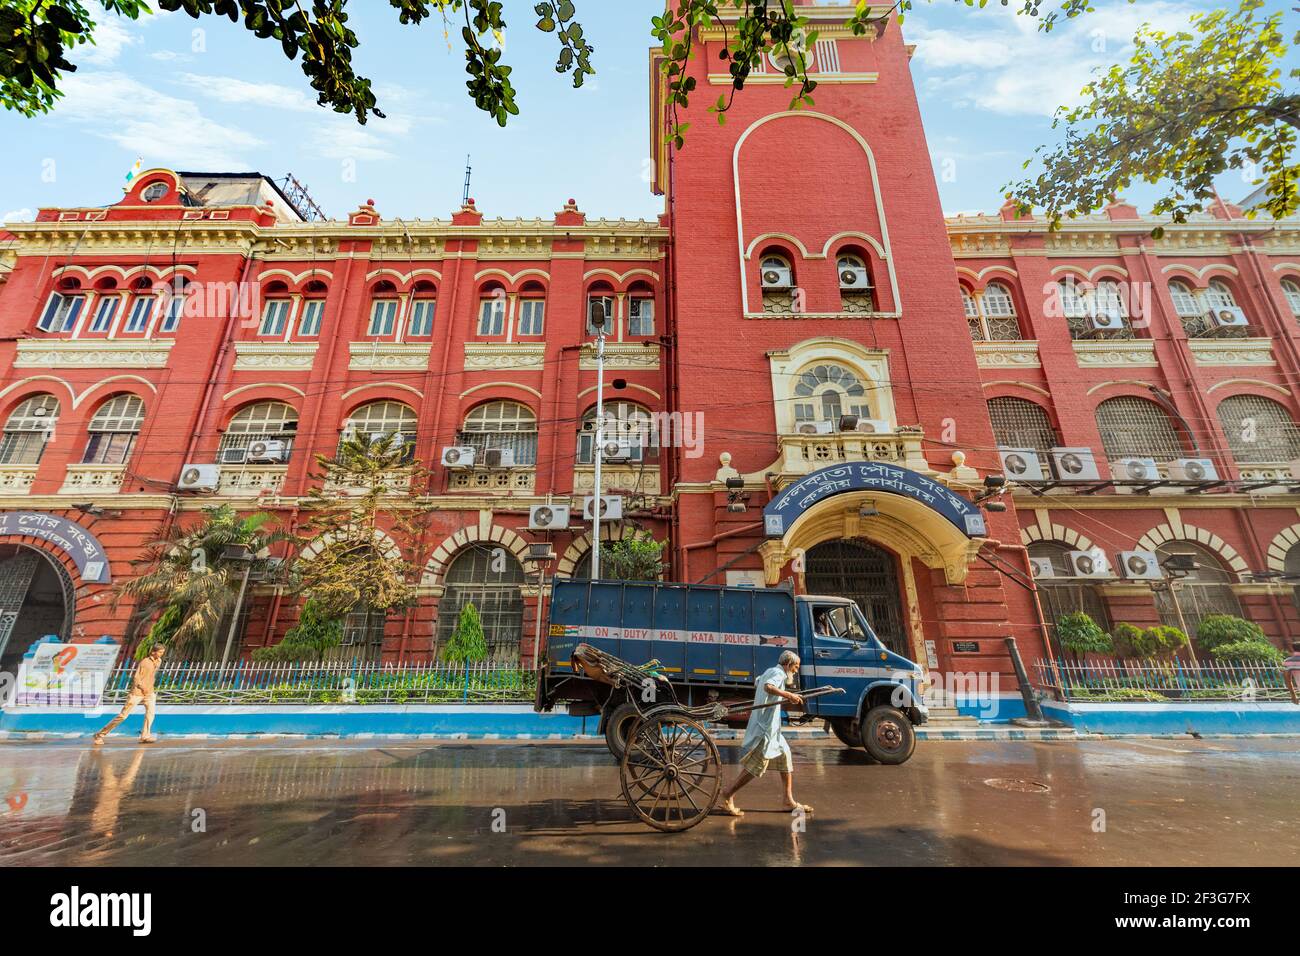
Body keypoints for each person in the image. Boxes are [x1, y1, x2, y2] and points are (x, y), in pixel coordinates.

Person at [719, 649, 812, 817]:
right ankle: (727, 794)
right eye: (795, 668)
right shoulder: (778, 673)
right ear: (788, 665)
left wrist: (788, 695)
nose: (796, 671)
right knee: (756, 766)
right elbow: (768, 686)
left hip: (773, 729)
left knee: (785, 756)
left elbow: (760, 682)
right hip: (765, 730)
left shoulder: (771, 671)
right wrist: (788, 694)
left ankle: (787, 800)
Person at [93, 643, 166, 745]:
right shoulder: (145, 662)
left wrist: (150, 690)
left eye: (162, 652)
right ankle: (99, 734)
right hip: (137, 693)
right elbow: (136, 678)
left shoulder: (159, 661)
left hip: (149, 693)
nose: (161, 654)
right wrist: (143, 688)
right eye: (160, 652)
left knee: (150, 714)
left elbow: (152, 676)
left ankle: (145, 736)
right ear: (153, 652)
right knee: (123, 716)